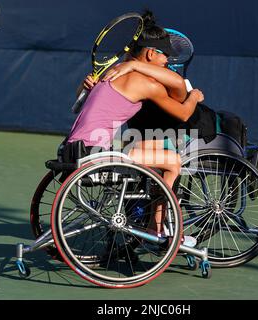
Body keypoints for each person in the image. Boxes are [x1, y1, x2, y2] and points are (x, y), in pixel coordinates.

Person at [68, 10, 204, 238]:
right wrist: (194, 97)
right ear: (151, 54)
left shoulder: (111, 71)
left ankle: (152, 218)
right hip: (94, 155)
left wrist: (134, 66)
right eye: (165, 57)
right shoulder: (145, 83)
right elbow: (182, 113)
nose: (167, 61)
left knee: (146, 148)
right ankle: (156, 225)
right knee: (174, 161)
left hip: (74, 149)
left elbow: (78, 106)